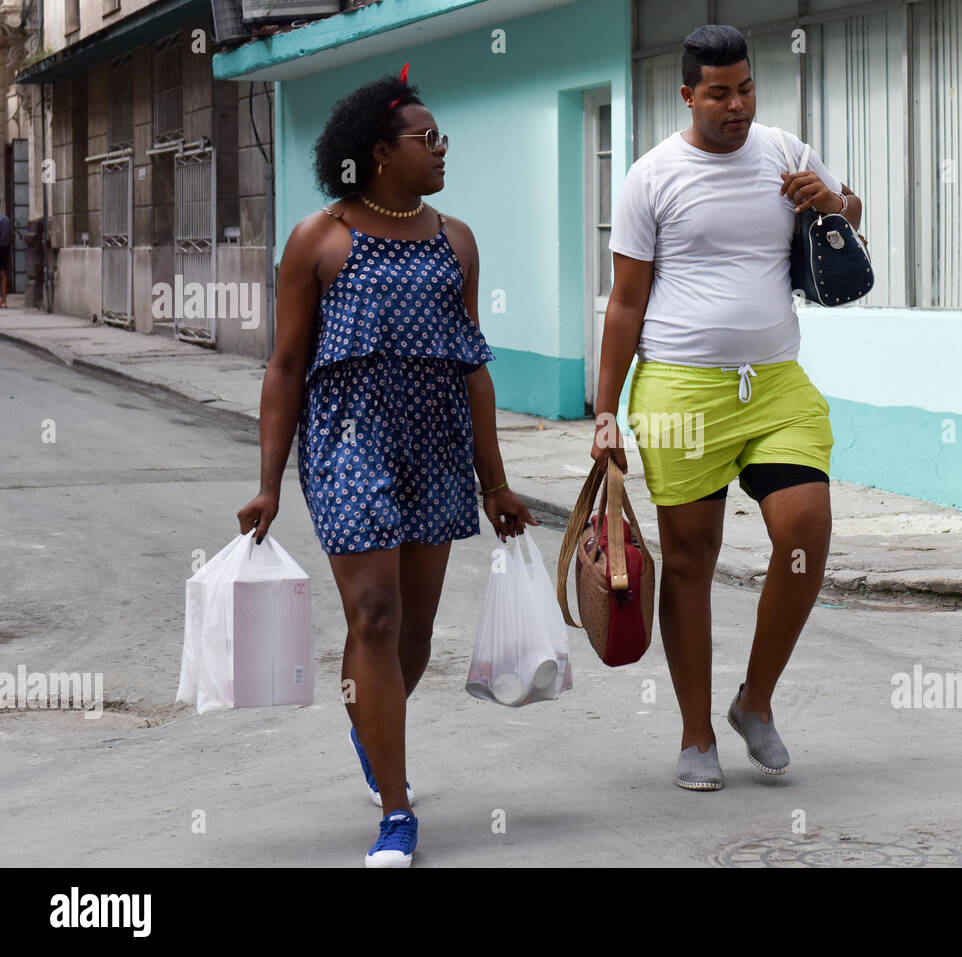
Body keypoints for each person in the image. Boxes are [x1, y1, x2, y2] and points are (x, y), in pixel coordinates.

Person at [237, 63, 536, 867]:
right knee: (373, 611)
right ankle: (398, 814)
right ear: (378, 152)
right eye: (426, 138)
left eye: (442, 138)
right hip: (346, 446)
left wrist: (496, 478)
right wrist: (268, 481)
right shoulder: (320, 239)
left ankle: (370, 718)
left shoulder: (456, 241)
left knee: (413, 630)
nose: (442, 149)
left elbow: (473, 362)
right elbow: (287, 365)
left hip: (435, 445)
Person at [595, 25, 862, 790]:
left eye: (745, 87)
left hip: (776, 383)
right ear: (687, 94)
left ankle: (757, 700)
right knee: (689, 561)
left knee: (805, 529)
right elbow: (626, 302)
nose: (738, 104)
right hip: (680, 388)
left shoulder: (784, 150)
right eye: (719, 92)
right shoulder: (652, 176)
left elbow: (851, 213)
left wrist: (834, 197)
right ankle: (695, 733)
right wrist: (606, 411)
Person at [0, 209, 11, 308]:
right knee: (3, 274)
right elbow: (11, 235)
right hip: (5, 248)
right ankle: (3, 301)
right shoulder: (6, 219)